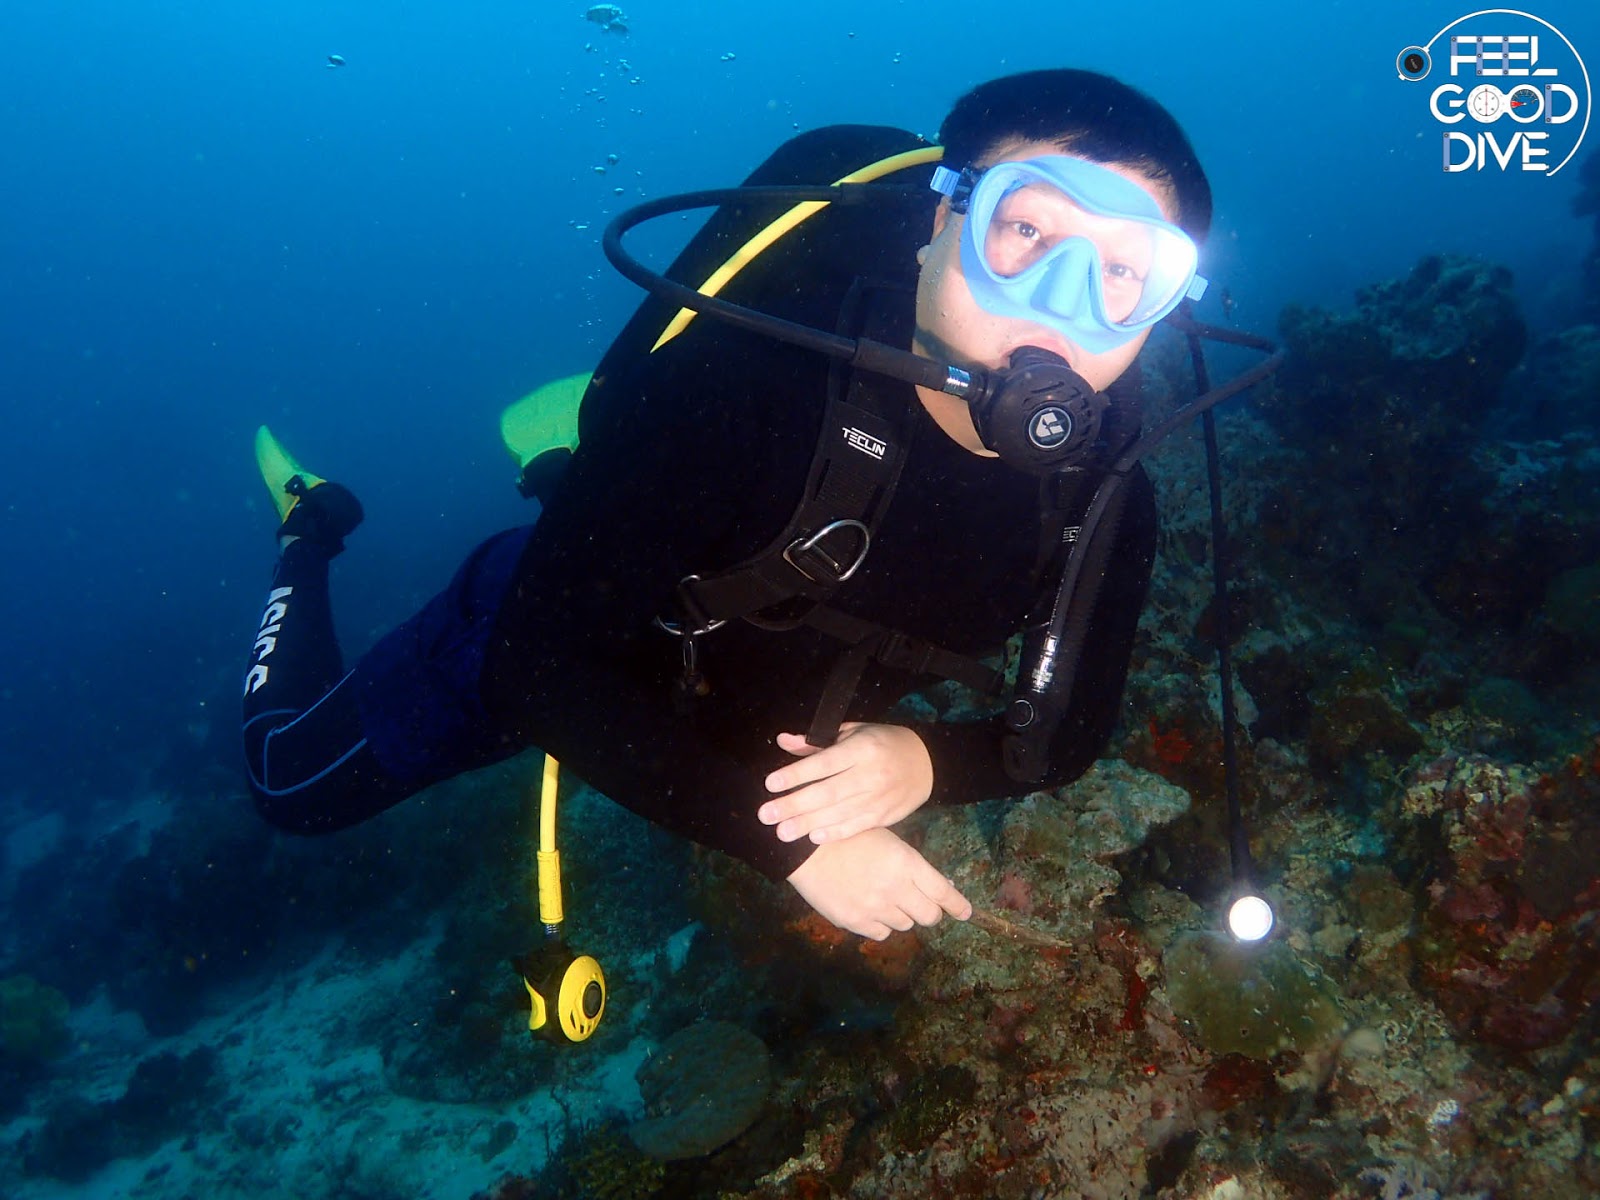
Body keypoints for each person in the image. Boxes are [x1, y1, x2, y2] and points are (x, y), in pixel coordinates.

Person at [241, 68, 1213, 942]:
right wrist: (795, 848)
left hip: (745, 706)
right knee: (290, 789)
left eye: (1126, 271)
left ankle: (560, 467)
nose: (1062, 301)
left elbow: (1062, 737)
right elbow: (535, 671)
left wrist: (925, 760)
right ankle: (310, 525)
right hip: (563, 641)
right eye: (1026, 229)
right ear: (937, 223)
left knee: (659, 519)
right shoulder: (737, 387)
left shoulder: (1108, 497)